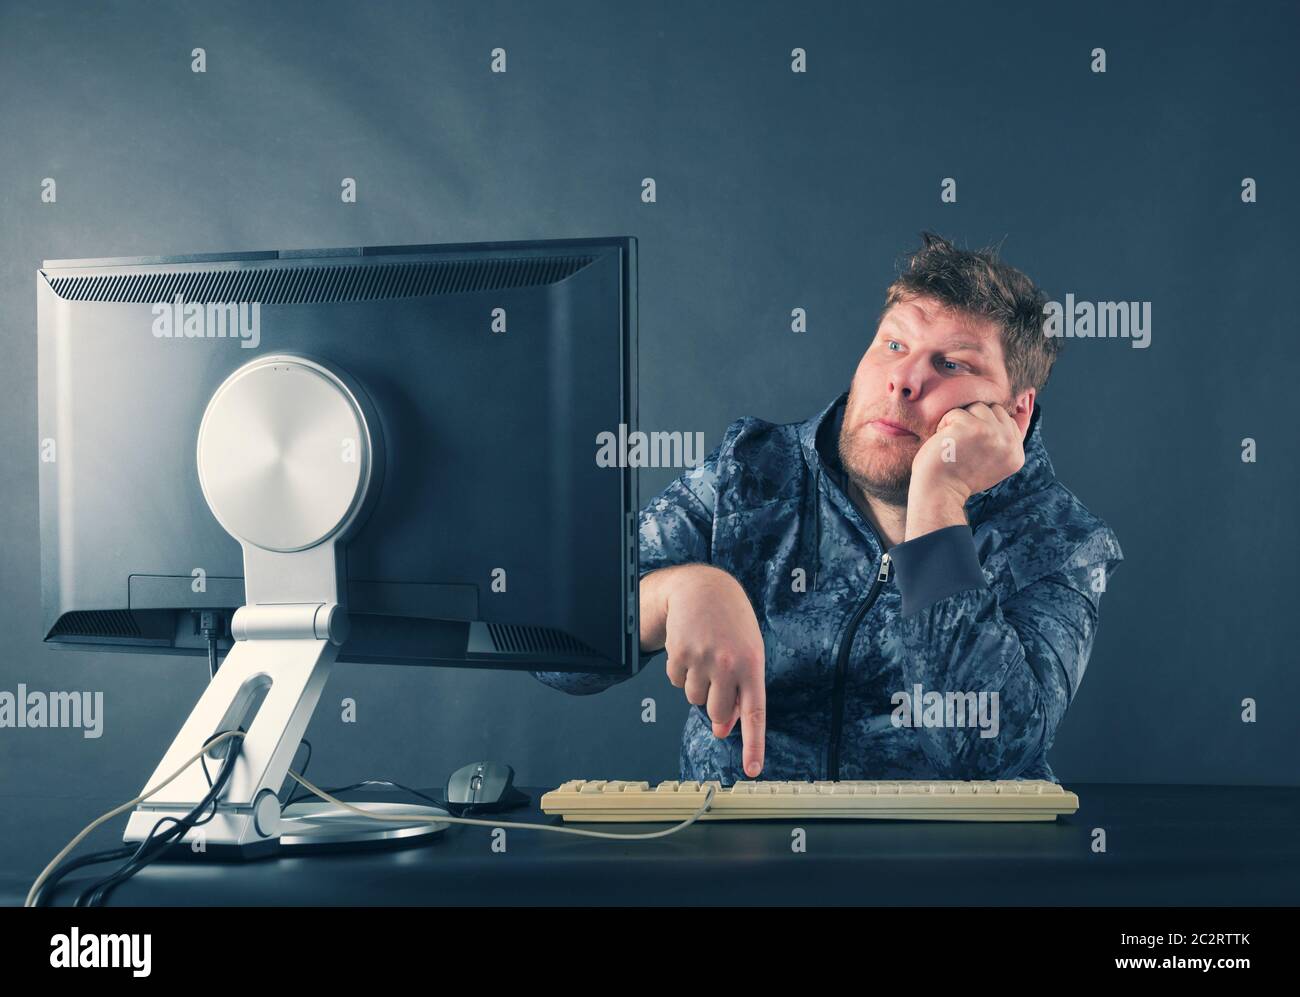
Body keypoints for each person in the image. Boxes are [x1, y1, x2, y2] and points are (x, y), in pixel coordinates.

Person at [534, 232, 1123, 784]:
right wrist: (675, 593)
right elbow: (553, 649)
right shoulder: (750, 473)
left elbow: (983, 752)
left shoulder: (1062, 540)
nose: (903, 380)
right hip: (732, 862)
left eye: (952, 364)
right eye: (894, 344)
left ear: (1015, 413)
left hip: (947, 870)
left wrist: (937, 501)